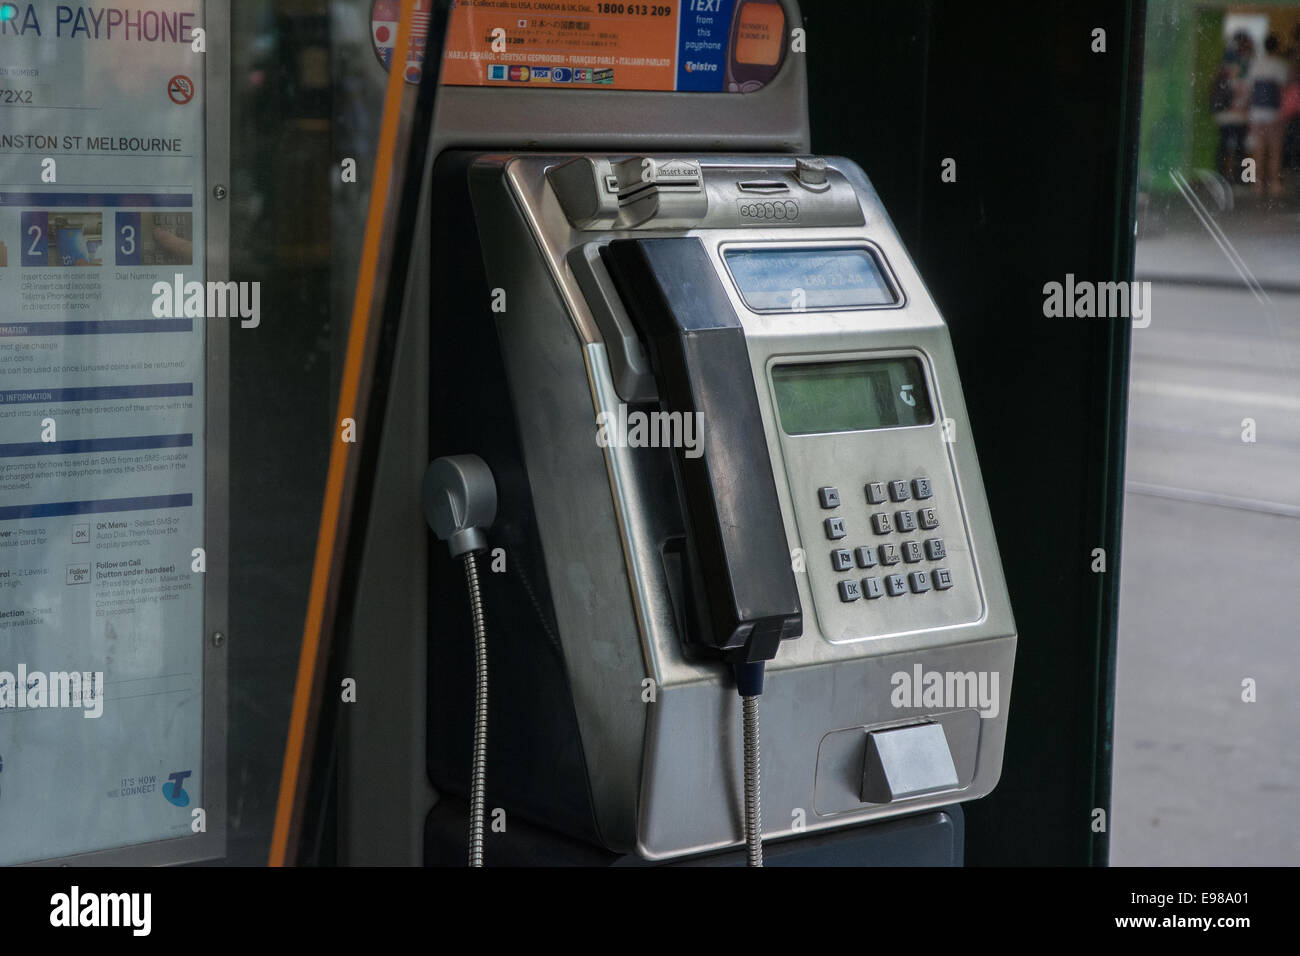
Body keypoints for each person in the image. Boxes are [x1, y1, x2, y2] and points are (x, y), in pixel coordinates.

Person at [1247, 34, 1289, 198]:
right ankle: (1274, 183)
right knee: (1274, 148)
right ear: (1277, 47)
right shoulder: (1279, 65)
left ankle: (1257, 183)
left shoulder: (1255, 63)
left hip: (1257, 111)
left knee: (1258, 147)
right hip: (1273, 111)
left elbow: (1251, 89)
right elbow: (1281, 90)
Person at [1211, 33, 1252, 181]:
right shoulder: (1233, 70)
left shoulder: (1229, 71)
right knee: (1236, 146)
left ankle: (1234, 177)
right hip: (1230, 115)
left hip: (1231, 115)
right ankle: (1240, 178)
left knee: (1230, 145)